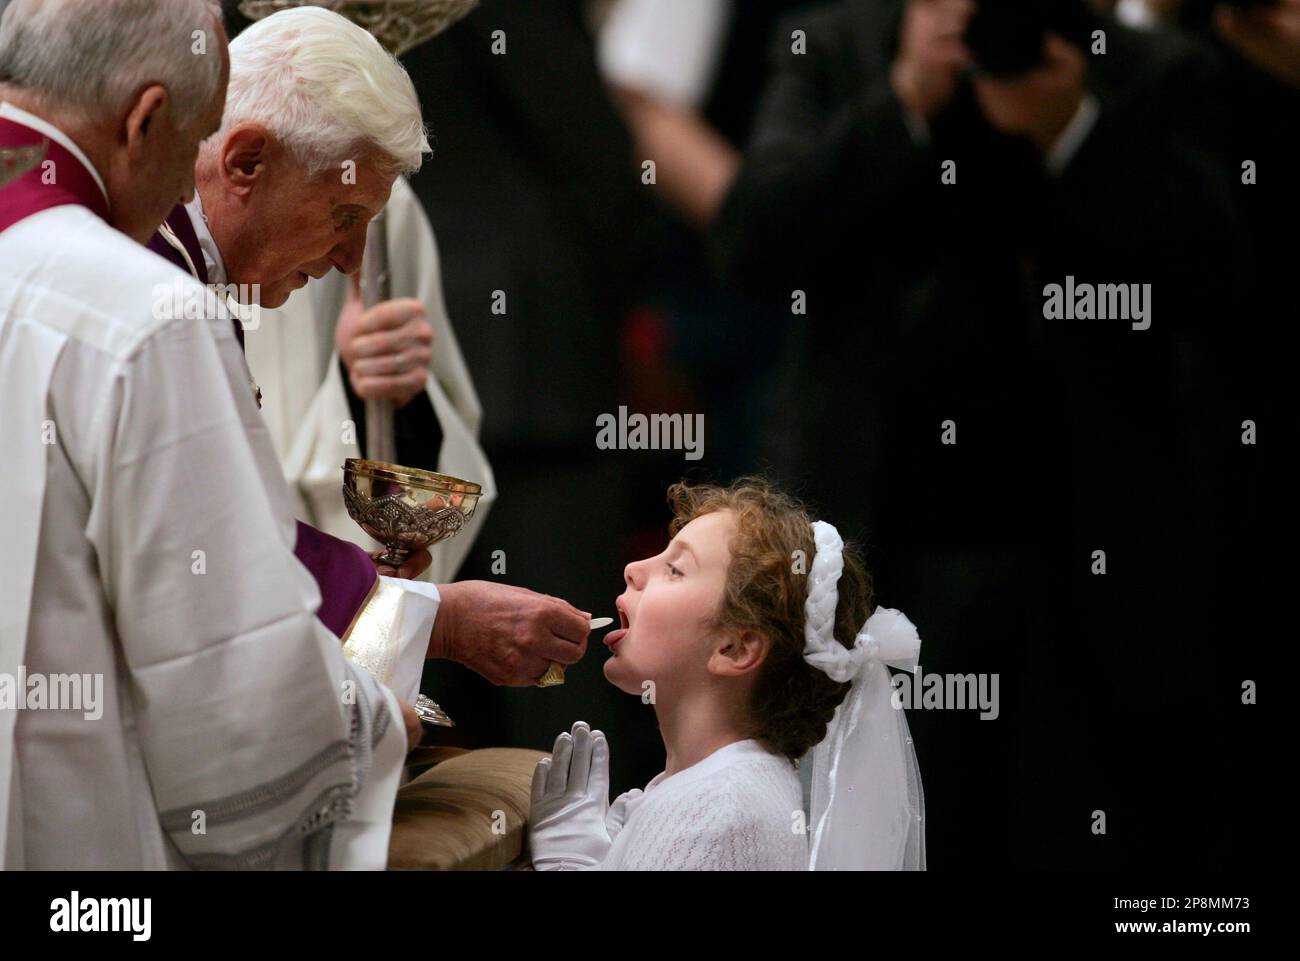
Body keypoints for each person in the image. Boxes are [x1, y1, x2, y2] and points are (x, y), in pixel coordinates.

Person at [144, 6, 593, 695]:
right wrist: (437, 622)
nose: (353, 255)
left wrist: (380, 391)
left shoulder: (195, 262)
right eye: (345, 218)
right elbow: (203, 562)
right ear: (246, 161)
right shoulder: (147, 284)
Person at [527, 479, 925, 870]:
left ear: (735, 648)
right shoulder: (715, 786)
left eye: (676, 569)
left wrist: (566, 859)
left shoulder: (716, 809)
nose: (633, 569)